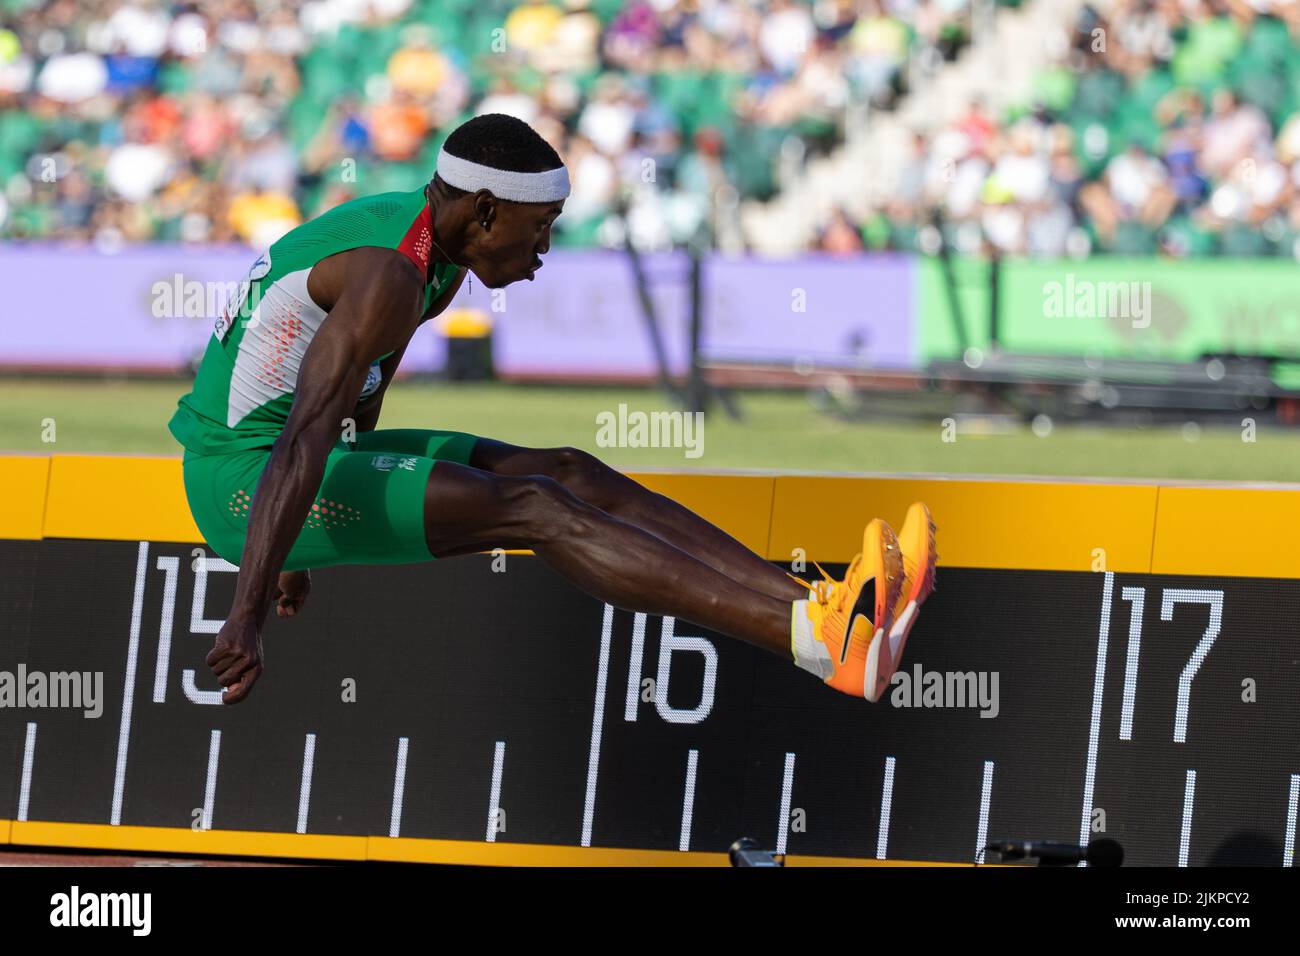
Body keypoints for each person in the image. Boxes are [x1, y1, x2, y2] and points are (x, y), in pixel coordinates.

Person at [167, 113, 938, 706]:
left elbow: (351, 409)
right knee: (534, 506)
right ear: (486, 211)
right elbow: (304, 438)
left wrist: (300, 551)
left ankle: (822, 608)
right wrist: (249, 607)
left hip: (285, 466)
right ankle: (814, 644)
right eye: (540, 231)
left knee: (572, 470)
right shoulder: (390, 277)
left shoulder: (428, 251)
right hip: (243, 481)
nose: (542, 253)